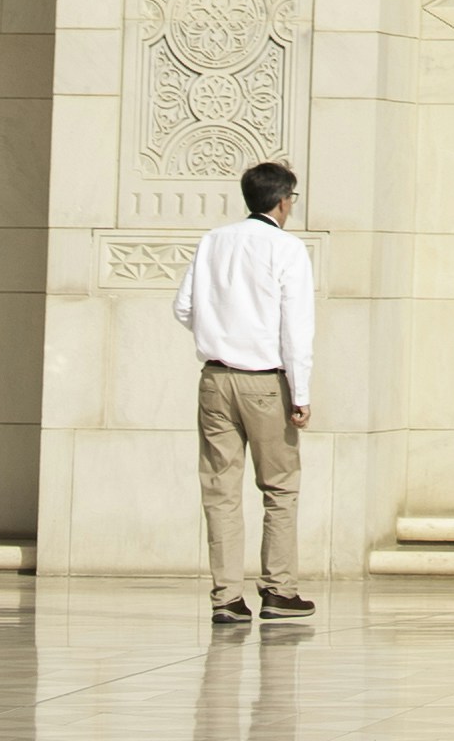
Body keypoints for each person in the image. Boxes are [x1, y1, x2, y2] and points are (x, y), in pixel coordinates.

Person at [172, 155, 317, 626]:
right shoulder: (287, 249)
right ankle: (279, 589)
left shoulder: (213, 240)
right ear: (281, 202)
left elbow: (184, 308)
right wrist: (300, 393)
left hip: (214, 378)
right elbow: (296, 329)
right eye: (291, 198)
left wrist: (218, 332)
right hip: (265, 381)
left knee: (220, 489)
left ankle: (226, 598)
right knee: (279, 487)